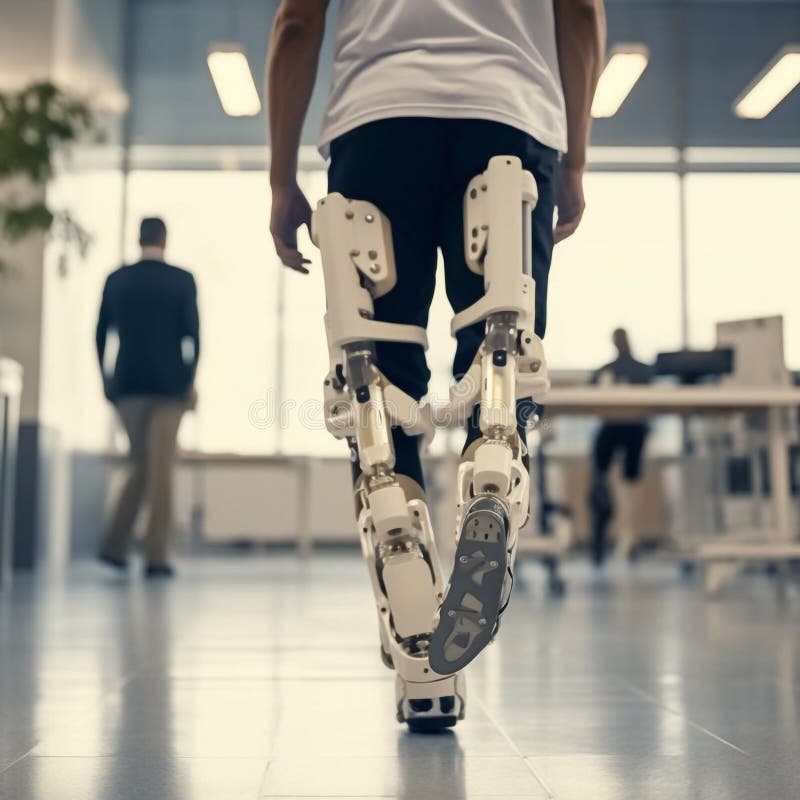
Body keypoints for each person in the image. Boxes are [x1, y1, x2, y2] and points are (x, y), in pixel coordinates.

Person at [267, 0, 606, 728]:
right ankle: (492, 463)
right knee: (502, 357)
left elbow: (297, 23)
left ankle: (420, 658)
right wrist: (575, 159)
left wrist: (278, 179)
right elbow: (579, 13)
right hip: (510, 118)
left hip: (377, 123)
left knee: (376, 386)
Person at [95, 217, 200, 578]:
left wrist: (105, 379)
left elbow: (100, 333)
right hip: (169, 388)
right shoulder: (181, 280)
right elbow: (193, 337)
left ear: (138, 239)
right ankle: (155, 556)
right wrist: (190, 380)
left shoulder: (117, 279)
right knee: (160, 471)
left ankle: (114, 546)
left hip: (127, 386)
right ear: (164, 240)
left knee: (140, 464)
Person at [588, 328, 653, 564]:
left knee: (605, 476)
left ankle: (624, 535)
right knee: (625, 479)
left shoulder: (607, 371)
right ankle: (625, 534)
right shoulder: (642, 370)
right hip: (630, 428)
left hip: (623, 427)